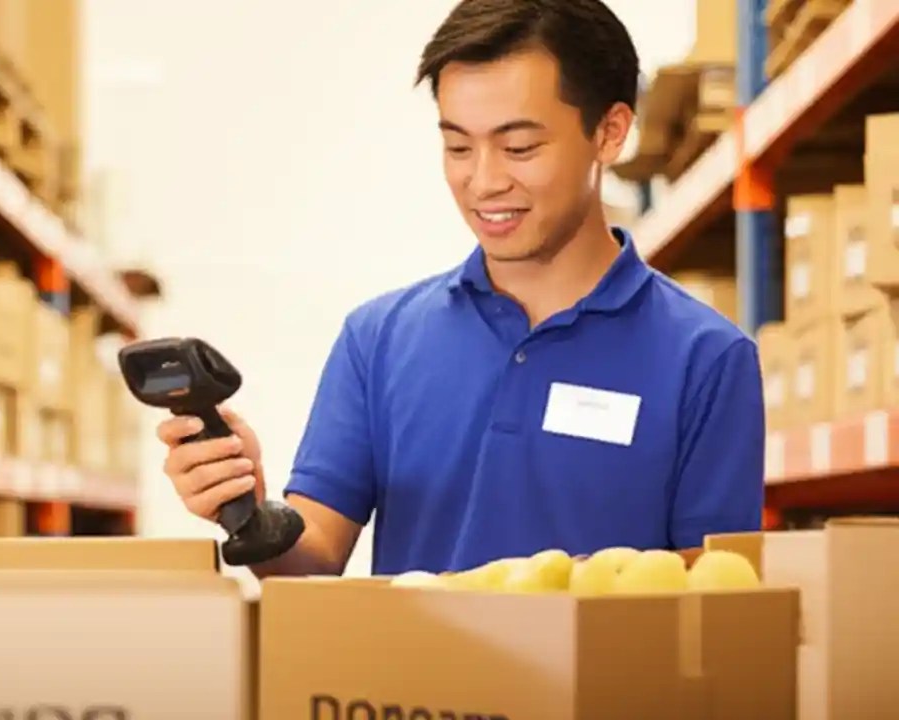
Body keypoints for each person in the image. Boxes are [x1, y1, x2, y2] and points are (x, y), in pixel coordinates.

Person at [157, 0, 764, 577]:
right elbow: (311, 559)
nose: (483, 181)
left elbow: (709, 606)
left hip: (604, 688)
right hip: (417, 689)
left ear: (609, 132)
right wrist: (245, 507)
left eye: (519, 147)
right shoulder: (378, 340)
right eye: (457, 146)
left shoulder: (708, 359)